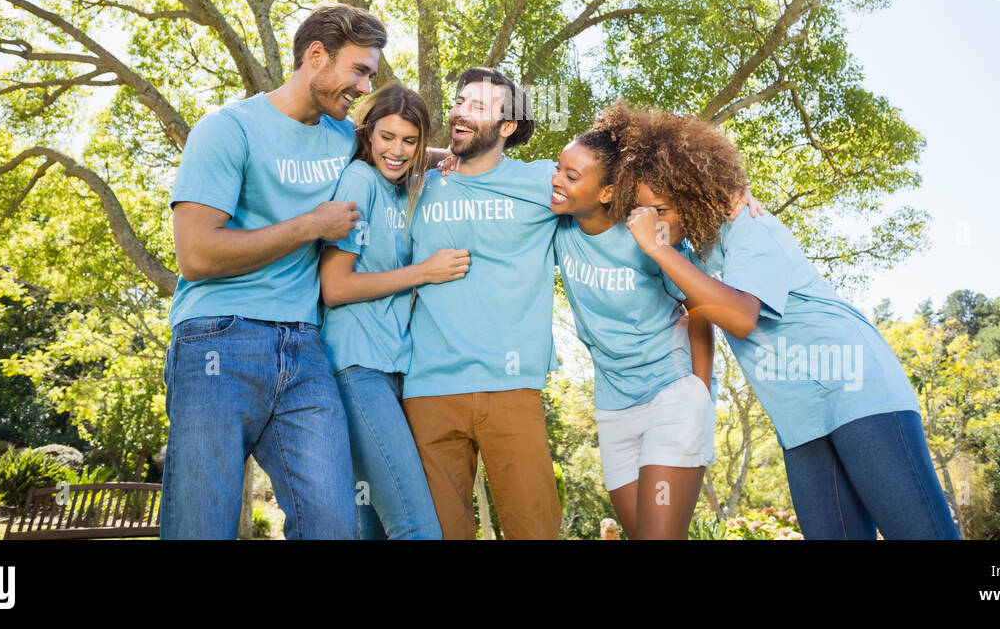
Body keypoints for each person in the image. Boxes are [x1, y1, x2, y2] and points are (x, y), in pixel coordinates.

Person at [615, 108, 961, 540]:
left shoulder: (751, 227)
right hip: (798, 416)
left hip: (856, 386)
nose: (655, 223)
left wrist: (657, 249)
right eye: (645, 212)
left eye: (663, 209)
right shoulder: (687, 253)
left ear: (694, 194)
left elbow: (741, 316)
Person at [162, 2, 386, 540]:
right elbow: (196, 255)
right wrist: (312, 224)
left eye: (370, 76)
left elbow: (399, 152)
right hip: (217, 337)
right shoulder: (226, 128)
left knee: (334, 524)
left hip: (306, 350)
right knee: (201, 525)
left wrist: (456, 157)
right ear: (316, 55)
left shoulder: (341, 137)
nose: (363, 86)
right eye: (359, 71)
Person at [400, 67, 563, 539]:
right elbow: (364, 138)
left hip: (511, 385)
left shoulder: (543, 183)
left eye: (477, 106)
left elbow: (618, 180)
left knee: (534, 529)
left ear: (508, 125)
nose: (459, 112)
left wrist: (734, 192)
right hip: (427, 387)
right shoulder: (417, 183)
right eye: (459, 101)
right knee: (438, 532)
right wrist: (431, 156)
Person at [549, 106, 716, 539]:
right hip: (613, 406)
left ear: (606, 192)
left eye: (572, 176)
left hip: (670, 394)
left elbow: (700, 305)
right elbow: (493, 173)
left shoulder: (646, 233)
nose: (557, 180)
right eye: (559, 169)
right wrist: (443, 158)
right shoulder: (558, 222)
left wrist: (698, 386)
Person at [318, 83, 470, 539]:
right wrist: (422, 272)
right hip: (355, 364)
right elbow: (335, 286)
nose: (397, 151)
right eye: (386, 138)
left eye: (409, 141)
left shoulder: (405, 190)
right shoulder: (359, 182)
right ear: (367, 136)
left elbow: (433, 157)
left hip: (397, 365)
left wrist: (451, 155)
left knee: (375, 528)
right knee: (417, 524)